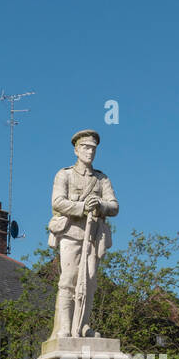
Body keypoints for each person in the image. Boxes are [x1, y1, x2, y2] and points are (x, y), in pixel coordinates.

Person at [48, 130, 118, 338]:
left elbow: (114, 206)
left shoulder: (101, 179)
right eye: (86, 148)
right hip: (71, 233)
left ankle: (83, 324)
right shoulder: (65, 175)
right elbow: (57, 202)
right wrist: (82, 207)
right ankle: (65, 327)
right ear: (77, 150)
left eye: (93, 149)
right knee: (68, 279)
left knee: (90, 281)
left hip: (93, 236)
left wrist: (101, 204)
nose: (90, 152)